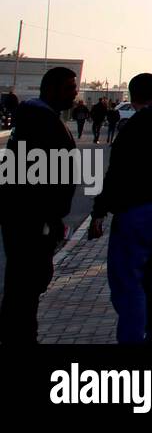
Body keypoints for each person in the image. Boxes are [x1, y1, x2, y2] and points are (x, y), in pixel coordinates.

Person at [88, 73, 152, 345]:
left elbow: (117, 173)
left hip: (135, 212)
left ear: (132, 96)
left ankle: (132, 339)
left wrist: (100, 211)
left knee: (127, 282)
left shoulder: (133, 128)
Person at [0, 67, 78, 344]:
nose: (75, 93)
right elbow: (42, 182)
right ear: (52, 89)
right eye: (69, 88)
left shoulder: (39, 119)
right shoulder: (42, 123)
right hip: (31, 221)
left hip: (25, 218)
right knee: (26, 283)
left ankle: (17, 334)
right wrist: (51, 220)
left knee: (25, 284)